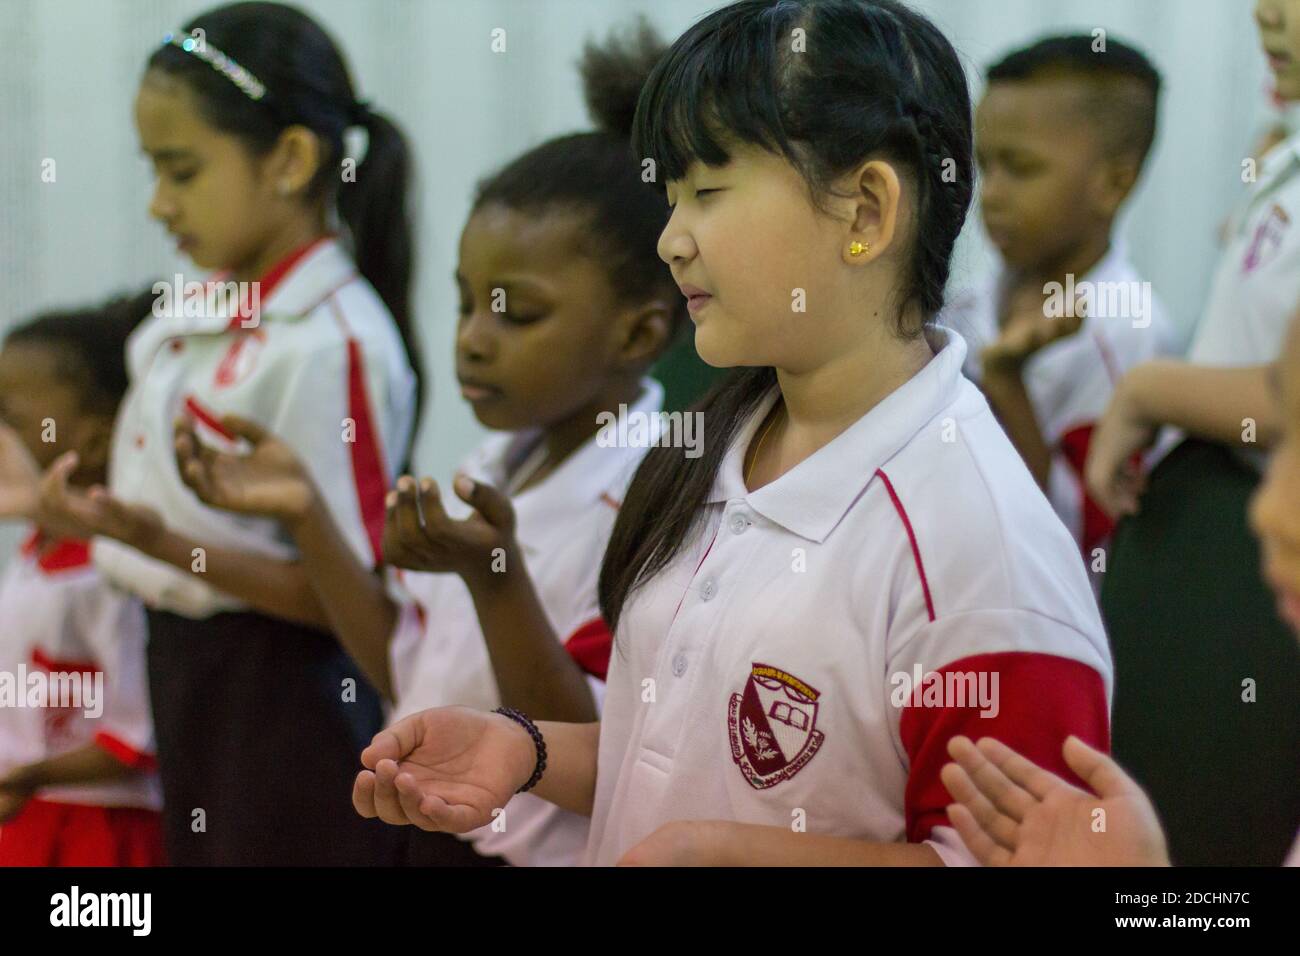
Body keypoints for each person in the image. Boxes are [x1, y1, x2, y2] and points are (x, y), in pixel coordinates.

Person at [351, 0, 1112, 867]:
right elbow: (673, 755)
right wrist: (525, 751)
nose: (672, 240)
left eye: (708, 193)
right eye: (671, 198)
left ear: (866, 211)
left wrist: (728, 854)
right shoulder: (704, 450)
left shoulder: (981, 553)